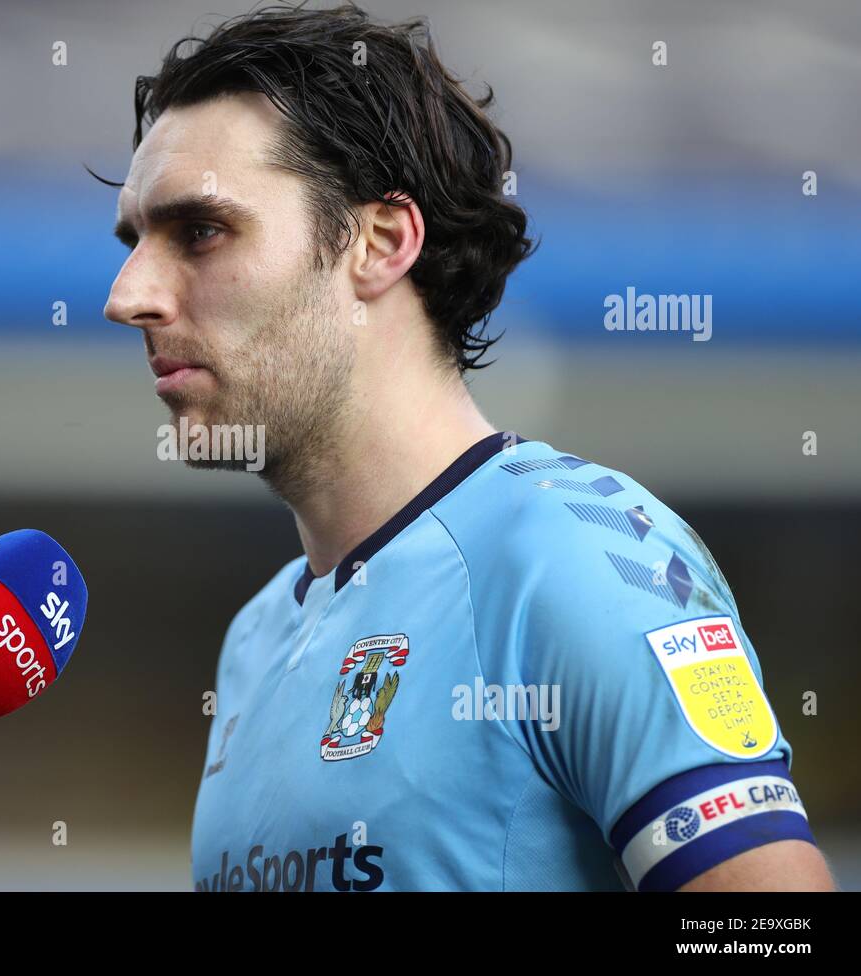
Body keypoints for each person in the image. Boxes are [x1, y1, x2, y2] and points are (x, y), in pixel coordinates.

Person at [101, 2, 833, 891]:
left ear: (380, 243)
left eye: (201, 232)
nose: (128, 293)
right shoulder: (257, 635)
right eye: (136, 240)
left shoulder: (580, 558)